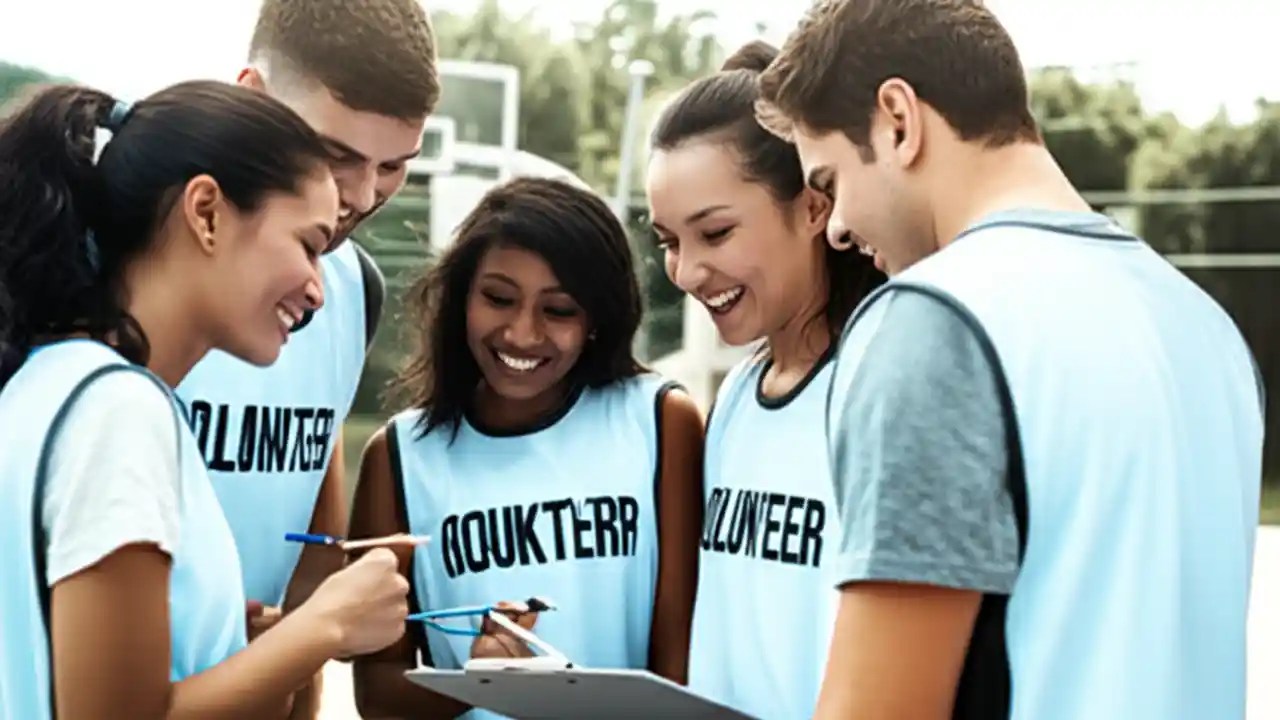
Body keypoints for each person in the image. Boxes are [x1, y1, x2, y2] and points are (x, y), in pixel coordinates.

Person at [754, 1, 1266, 718]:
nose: (835, 228)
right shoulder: (1209, 331)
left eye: (832, 183)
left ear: (898, 120)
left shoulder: (935, 322)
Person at [0, 80, 410, 720]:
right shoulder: (119, 413)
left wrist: (238, 660)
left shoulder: (47, 382)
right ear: (208, 212)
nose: (317, 290)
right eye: (307, 244)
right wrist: (324, 626)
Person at [348, 177, 706, 719]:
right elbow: (378, 694)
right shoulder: (400, 456)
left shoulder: (658, 420)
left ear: (595, 320)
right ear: (462, 297)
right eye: (498, 298)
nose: (521, 333)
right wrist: (480, 678)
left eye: (558, 310)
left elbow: (680, 665)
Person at [172, 2, 437, 713]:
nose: (358, 195)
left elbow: (308, 568)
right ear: (250, 96)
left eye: (394, 166)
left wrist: (304, 642)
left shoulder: (353, 290)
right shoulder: (89, 266)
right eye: (336, 154)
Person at [645, 40, 883, 720]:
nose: (687, 272)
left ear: (813, 209)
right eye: (668, 242)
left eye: (714, 234)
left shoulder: (878, 389)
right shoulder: (734, 406)